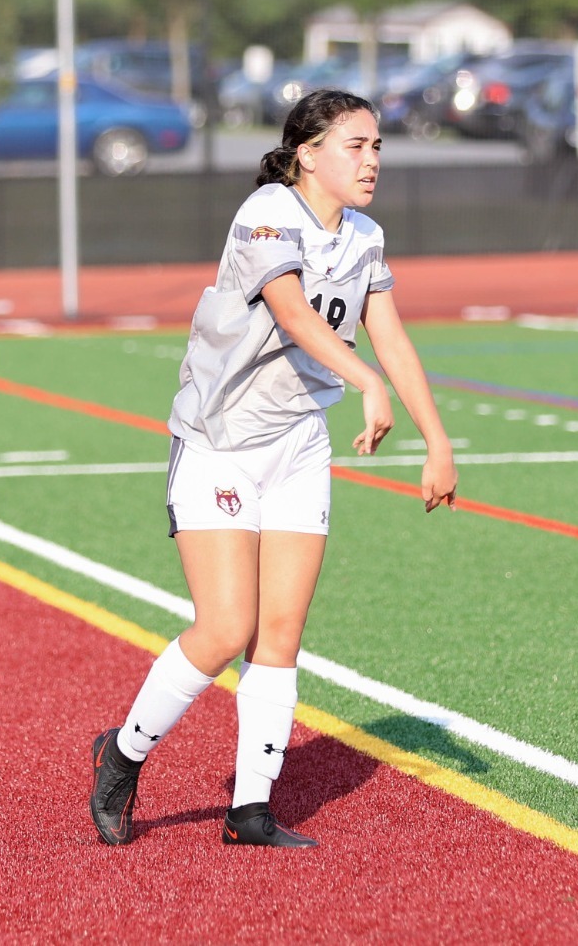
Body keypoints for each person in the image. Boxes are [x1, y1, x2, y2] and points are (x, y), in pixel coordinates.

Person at [88, 88, 459, 848]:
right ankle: (122, 755)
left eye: (378, 146)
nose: (372, 160)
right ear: (307, 154)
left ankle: (249, 810)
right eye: (356, 145)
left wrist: (438, 440)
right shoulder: (266, 212)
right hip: (219, 439)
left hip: (296, 443)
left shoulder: (364, 237)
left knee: (281, 633)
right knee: (227, 625)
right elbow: (292, 313)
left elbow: (390, 338)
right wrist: (363, 383)